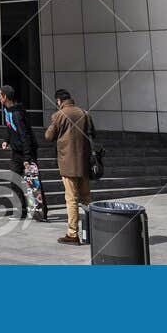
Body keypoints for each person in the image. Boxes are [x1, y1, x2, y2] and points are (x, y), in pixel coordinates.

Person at [43, 87, 97, 245]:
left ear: (59, 101)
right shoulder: (84, 113)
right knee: (86, 197)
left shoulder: (59, 115)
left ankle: (73, 234)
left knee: (71, 199)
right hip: (85, 163)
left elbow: (48, 136)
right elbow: (93, 133)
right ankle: (91, 231)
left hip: (68, 164)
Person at [0, 85, 40, 219]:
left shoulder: (17, 113)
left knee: (33, 183)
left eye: (0, 95)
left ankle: (39, 212)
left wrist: (27, 158)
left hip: (26, 152)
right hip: (17, 151)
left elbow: (25, 135)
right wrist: (7, 140)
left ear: (5, 97)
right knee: (14, 181)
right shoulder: (8, 110)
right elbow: (10, 128)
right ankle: (20, 211)